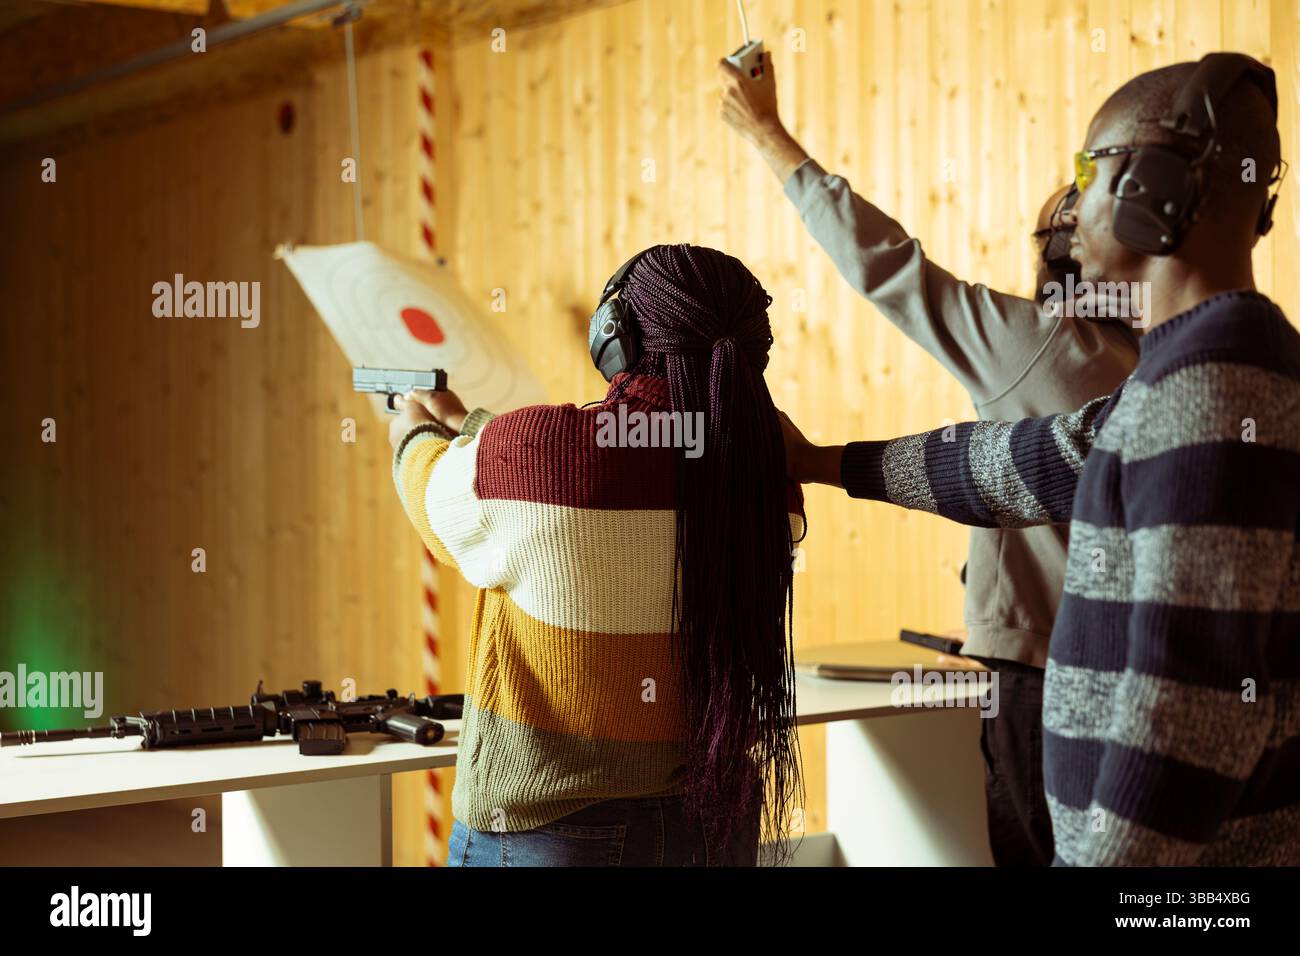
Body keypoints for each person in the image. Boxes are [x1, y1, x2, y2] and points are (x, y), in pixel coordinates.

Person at [780, 54, 1298, 865]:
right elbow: (1017, 464)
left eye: (1087, 171)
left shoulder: (1210, 396)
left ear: (1148, 191)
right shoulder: (1189, 377)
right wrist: (821, 462)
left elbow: (1193, 711)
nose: (1074, 204)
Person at [718, 52, 1141, 865]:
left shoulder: (1042, 341)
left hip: (1043, 682)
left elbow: (890, 269)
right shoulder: (1164, 364)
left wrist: (771, 137)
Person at [388, 243, 805, 867]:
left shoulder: (534, 455)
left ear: (615, 338)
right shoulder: (768, 463)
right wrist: (471, 425)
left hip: (556, 831)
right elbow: (576, 472)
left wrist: (411, 430)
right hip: (717, 824)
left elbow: (435, 497)